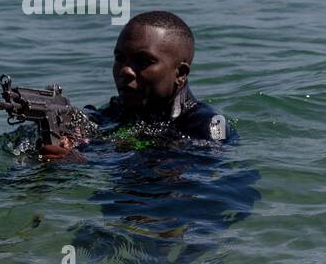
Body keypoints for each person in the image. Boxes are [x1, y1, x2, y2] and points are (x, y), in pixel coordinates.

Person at [41, 10, 232, 159]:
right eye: (120, 58)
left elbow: (209, 183)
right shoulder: (113, 114)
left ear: (180, 74)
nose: (125, 70)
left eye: (144, 61)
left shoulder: (206, 125)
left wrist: (83, 164)